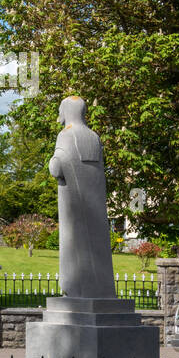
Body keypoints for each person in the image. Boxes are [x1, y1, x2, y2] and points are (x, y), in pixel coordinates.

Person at [49, 96, 116, 298]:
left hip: (74, 205)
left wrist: (53, 161)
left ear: (67, 112)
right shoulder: (94, 137)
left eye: (61, 110)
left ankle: (74, 290)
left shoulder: (66, 135)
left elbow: (57, 168)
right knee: (96, 248)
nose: (59, 116)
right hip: (95, 207)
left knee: (74, 245)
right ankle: (100, 291)